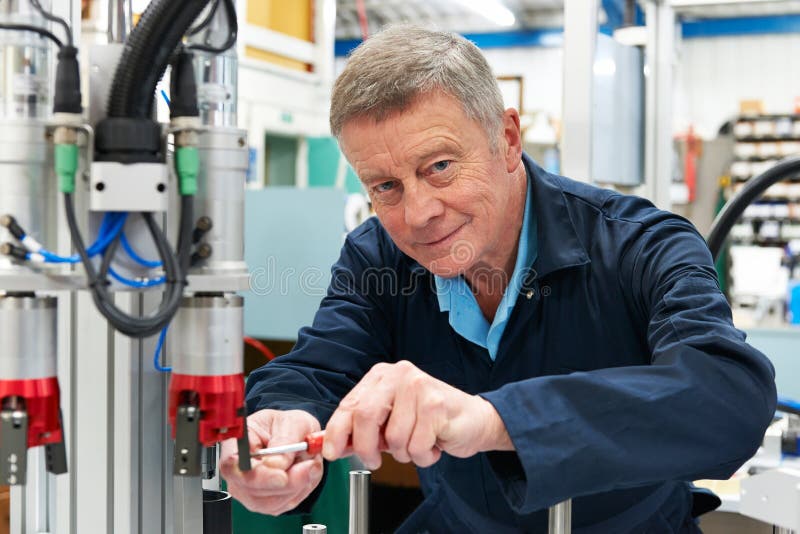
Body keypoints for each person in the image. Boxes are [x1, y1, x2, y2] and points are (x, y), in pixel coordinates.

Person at [220, 25, 776, 532]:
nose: (418, 214)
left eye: (438, 167)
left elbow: (727, 398)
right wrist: (283, 421)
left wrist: (494, 419)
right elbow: (316, 368)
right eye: (386, 186)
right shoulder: (378, 259)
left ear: (508, 139)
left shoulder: (638, 246)